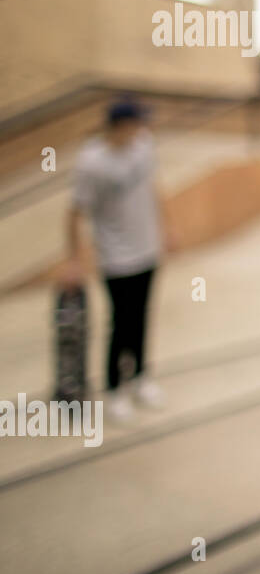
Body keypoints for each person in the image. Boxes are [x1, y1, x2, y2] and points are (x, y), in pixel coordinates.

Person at [65, 99, 170, 422]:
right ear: (120, 125)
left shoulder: (143, 146)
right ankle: (114, 390)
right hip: (116, 256)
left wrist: (167, 226)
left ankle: (140, 377)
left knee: (141, 317)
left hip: (147, 249)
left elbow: (153, 187)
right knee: (120, 323)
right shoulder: (92, 163)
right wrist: (75, 258)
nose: (141, 129)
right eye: (136, 123)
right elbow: (74, 212)